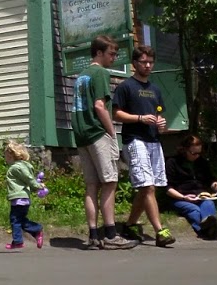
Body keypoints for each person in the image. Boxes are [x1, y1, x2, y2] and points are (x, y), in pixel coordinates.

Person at [72, 35, 137, 251]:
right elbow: (100, 106)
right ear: (99, 53)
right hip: (97, 132)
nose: (114, 58)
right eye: (111, 54)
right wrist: (111, 132)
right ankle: (110, 233)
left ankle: (93, 235)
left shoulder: (82, 76)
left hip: (81, 135)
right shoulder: (100, 73)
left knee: (92, 186)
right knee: (110, 182)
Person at [112, 45, 175, 247]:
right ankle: (160, 231)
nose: (147, 66)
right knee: (147, 186)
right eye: (143, 62)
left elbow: (159, 115)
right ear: (134, 64)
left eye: (150, 62)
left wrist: (161, 123)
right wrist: (139, 118)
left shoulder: (155, 89)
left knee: (149, 188)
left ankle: (130, 225)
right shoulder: (126, 87)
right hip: (134, 140)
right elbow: (116, 114)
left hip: (154, 141)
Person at [165, 134, 217, 239]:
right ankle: (207, 230)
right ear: (184, 150)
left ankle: (209, 228)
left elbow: (210, 180)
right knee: (194, 210)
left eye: (199, 153)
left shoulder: (202, 162)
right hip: (180, 198)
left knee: (209, 204)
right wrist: (183, 197)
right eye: (194, 153)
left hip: (200, 196)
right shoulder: (172, 163)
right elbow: (168, 188)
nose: (197, 156)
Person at [1, 140, 45, 251]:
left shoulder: (16, 168)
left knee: (15, 220)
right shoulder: (24, 166)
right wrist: (35, 187)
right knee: (20, 220)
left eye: (5, 156)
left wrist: (38, 186)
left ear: (11, 156)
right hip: (23, 198)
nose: (5, 158)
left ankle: (19, 241)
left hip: (18, 198)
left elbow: (29, 179)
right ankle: (35, 233)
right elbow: (27, 181)